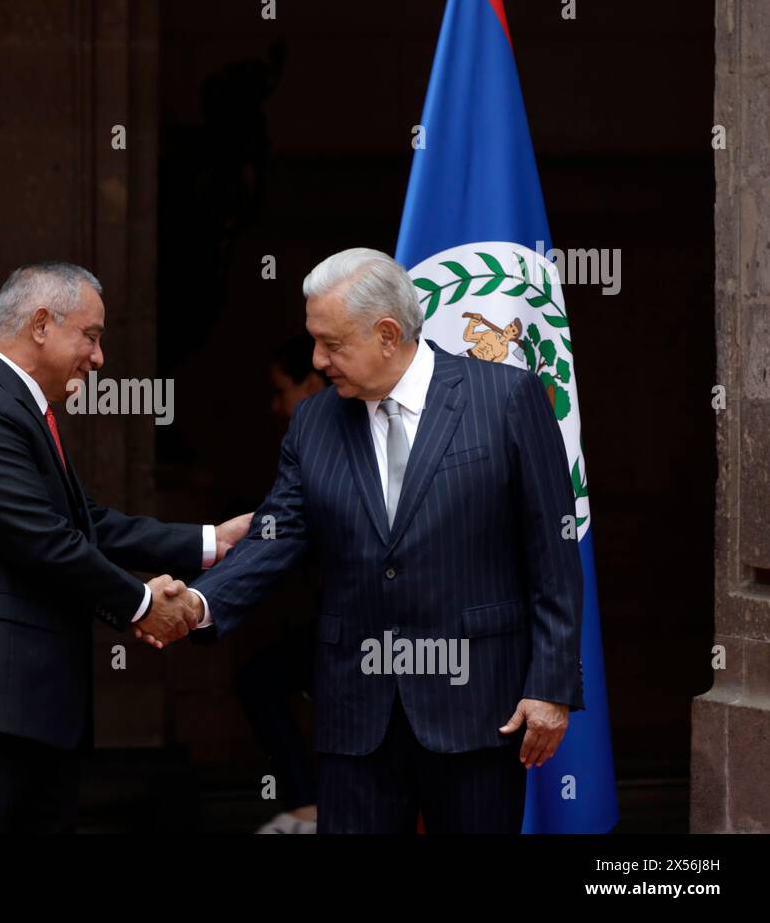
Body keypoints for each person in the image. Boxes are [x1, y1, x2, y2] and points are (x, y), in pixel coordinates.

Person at [143, 247, 584, 833]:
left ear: (386, 333)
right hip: (357, 712)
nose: (319, 360)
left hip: (479, 704)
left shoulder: (505, 399)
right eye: (315, 342)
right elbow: (279, 529)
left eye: (332, 344)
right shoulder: (316, 421)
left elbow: (552, 552)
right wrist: (198, 604)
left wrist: (550, 686)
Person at [0, 260, 250, 832]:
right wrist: (143, 604)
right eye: (90, 336)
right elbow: (43, 540)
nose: (99, 358)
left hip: (24, 713)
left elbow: (85, 522)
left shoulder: (13, 407)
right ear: (41, 323)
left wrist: (212, 541)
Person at [239, 336, 328, 833]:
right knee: (262, 678)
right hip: (329, 619)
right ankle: (309, 799)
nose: (276, 406)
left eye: (281, 390)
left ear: (312, 384)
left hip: (382, 632)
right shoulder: (304, 444)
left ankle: (313, 799)